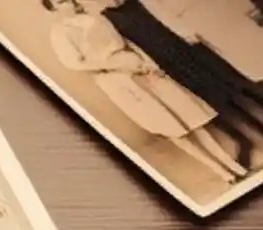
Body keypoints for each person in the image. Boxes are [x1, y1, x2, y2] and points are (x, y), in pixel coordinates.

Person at [44, 0, 250, 183]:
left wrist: (148, 64)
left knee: (190, 117)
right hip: (116, 80)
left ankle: (231, 164)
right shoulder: (60, 33)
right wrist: (114, 64)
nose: (69, 3)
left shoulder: (95, 17)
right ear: (52, 8)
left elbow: (127, 44)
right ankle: (220, 172)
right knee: (169, 126)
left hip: (141, 69)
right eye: (61, 1)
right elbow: (74, 63)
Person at [93, 0, 263, 149]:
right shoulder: (106, 19)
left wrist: (190, 36)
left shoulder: (140, 1)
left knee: (237, 88)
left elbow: (167, 15)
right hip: (168, 64)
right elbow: (130, 47)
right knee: (220, 102)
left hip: (189, 48)